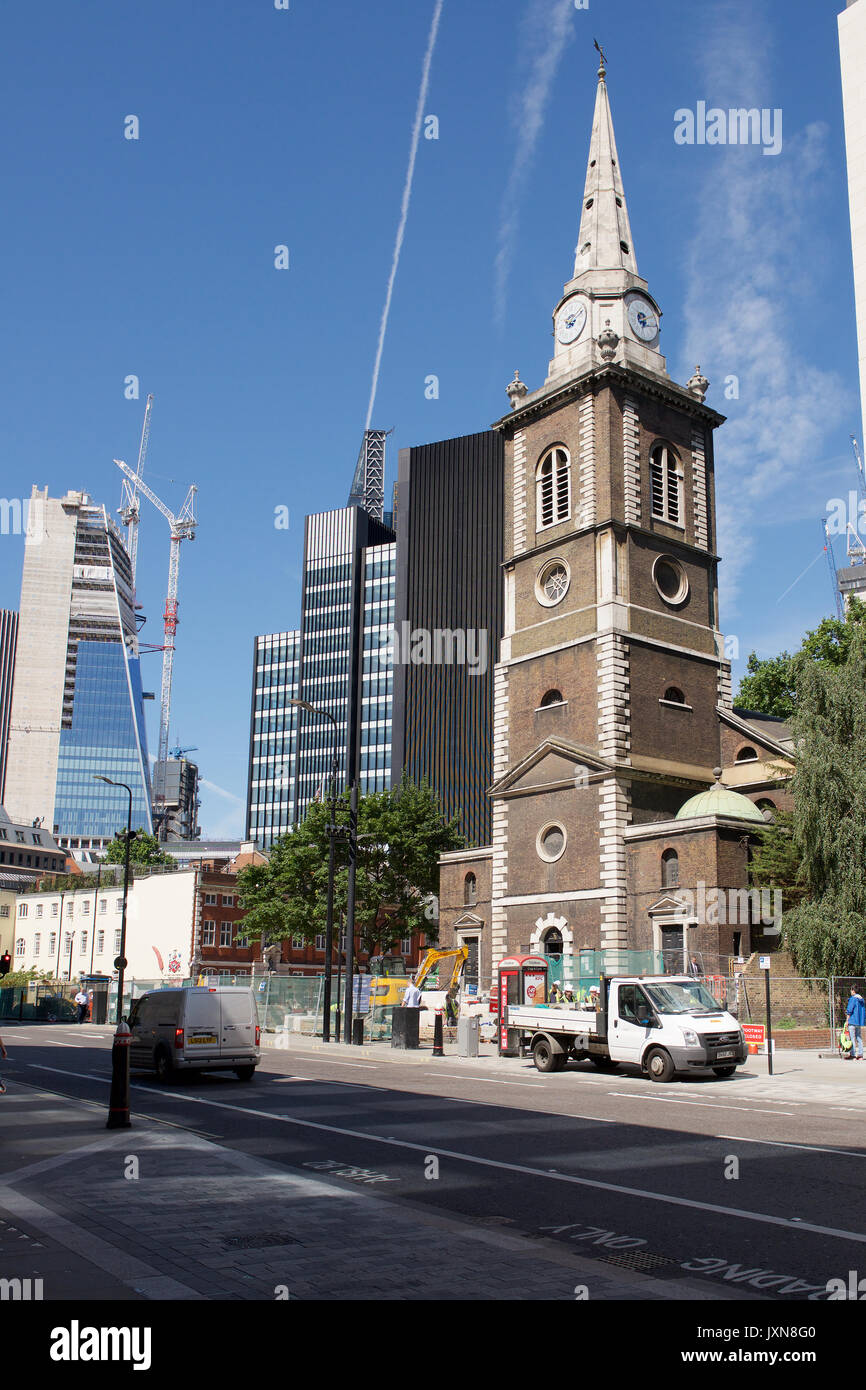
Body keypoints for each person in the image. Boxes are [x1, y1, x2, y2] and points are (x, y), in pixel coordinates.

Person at [846, 984, 865, 1060]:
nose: (850, 991)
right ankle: (860, 1055)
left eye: (851, 990)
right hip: (859, 1021)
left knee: (852, 1038)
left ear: (853, 991)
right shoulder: (861, 999)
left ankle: (853, 1054)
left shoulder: (853, 999)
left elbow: (849, 1010)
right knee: (859, 1037)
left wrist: (847, 1020)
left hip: (853, 1020)